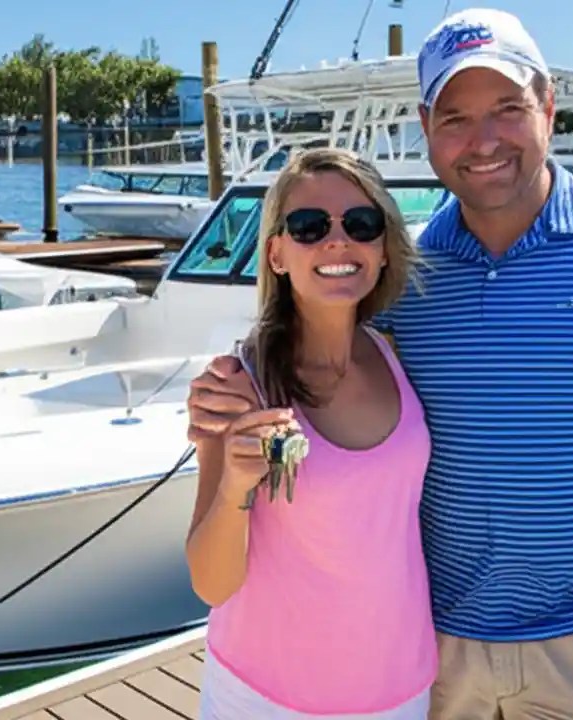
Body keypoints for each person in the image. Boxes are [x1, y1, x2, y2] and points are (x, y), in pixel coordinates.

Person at [186, 7, 573, 719]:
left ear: (548, 108)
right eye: (455, 117)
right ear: (427, 130)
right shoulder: (406, 276)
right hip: (434, 654)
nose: (483, 139)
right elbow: (313, 330)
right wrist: (224, 390)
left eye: (507, 108)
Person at [185, 146, 436, 719]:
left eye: (361, 223)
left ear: (381, 246)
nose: (337, 240)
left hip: (400, 687)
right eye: (308, 226)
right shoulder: (240, 386)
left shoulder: (394, 351)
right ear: (275, 253)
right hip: (266, 697)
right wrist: (233, 491)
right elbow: (211, 583)